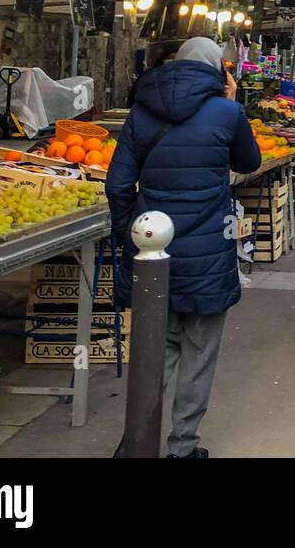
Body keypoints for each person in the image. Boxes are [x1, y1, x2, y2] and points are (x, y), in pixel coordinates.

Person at [106, 37, 260, 458]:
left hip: (154, 251)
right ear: (219, 70)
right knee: (200, 351)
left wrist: (129, 236)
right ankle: (182, 446)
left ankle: (137, 442)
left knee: (155, 347)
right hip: (209, 251)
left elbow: (117, 184)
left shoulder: (141, 113)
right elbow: (248, 162)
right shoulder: (227, 113)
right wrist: (234, 101)